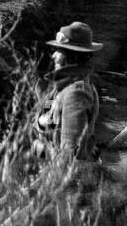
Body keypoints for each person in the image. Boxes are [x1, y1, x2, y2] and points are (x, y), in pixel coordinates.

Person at [36, 22, 102, 161]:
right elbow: (47, 119)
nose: (53, 55)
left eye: (59, 51)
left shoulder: (76, 94)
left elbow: (70, 157)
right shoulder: (63, 86)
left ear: (73, 56)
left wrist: (34, 148)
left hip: (61, 178)